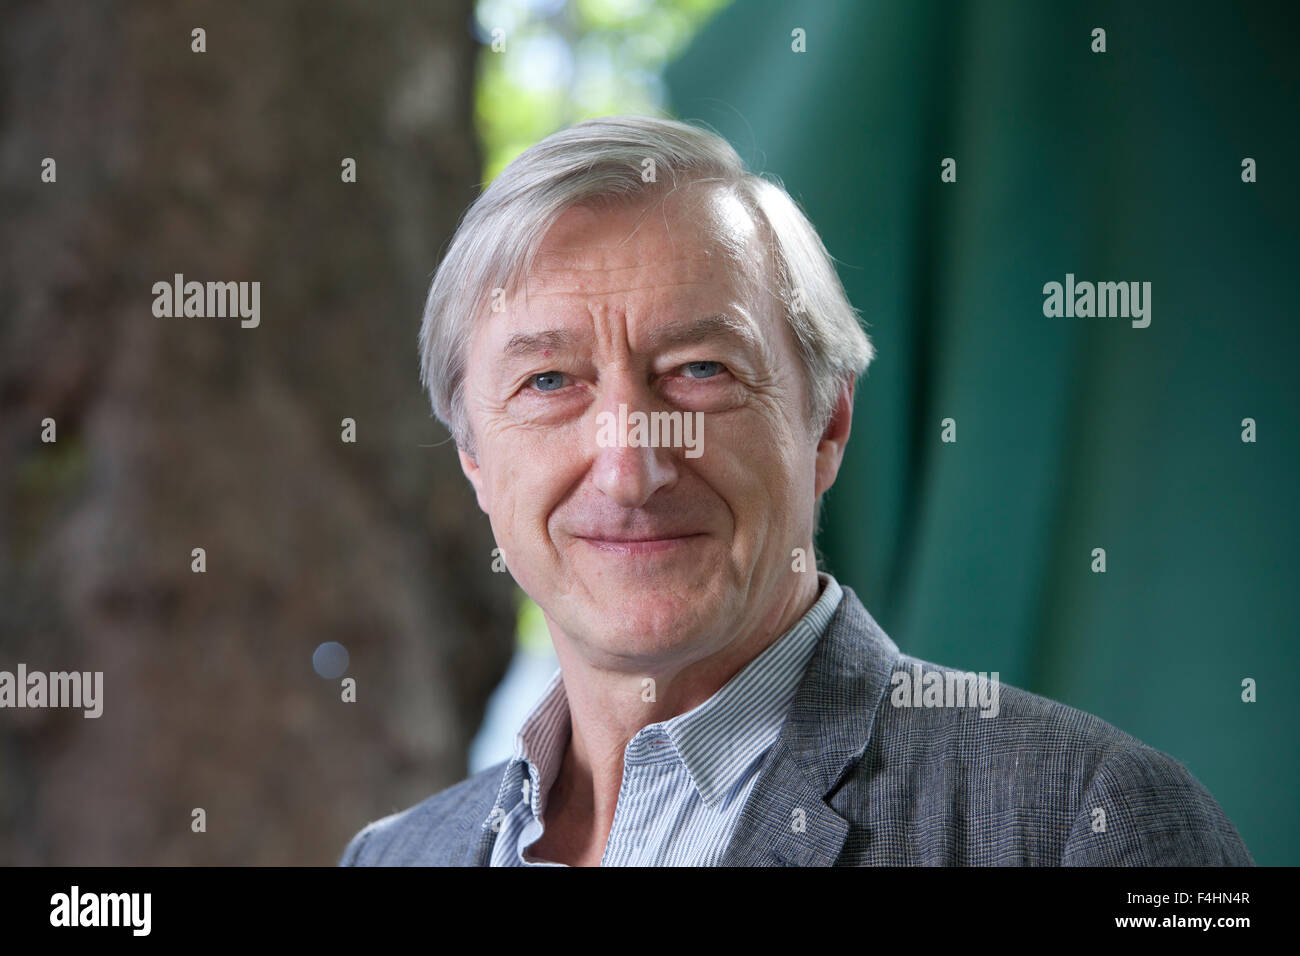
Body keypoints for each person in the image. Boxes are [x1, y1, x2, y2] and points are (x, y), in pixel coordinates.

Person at [340, 115, 1252, 866]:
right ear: (472, 457)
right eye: (549, 384)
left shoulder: (1099, 825)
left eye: (699, 370)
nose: (630, 467)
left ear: (826, 425)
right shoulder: (392, 856)